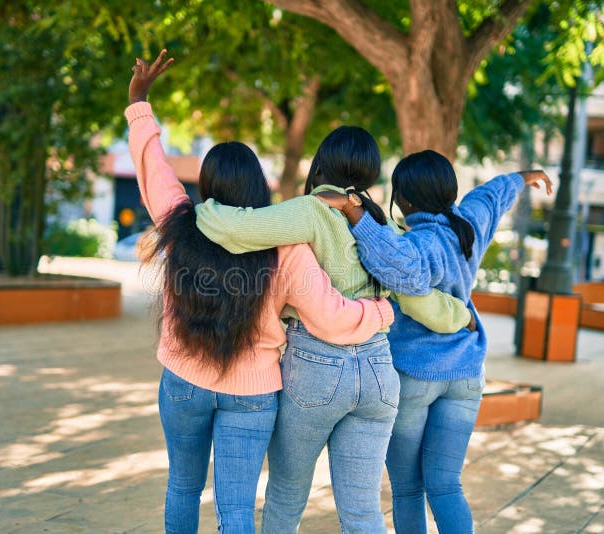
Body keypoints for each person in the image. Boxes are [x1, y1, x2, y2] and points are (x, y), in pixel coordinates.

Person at [127, 50, 394, 534]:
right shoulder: (286, 248)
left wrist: (139, 104)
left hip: (183, 381)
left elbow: (153, 170)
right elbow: (330, 318)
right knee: (236, 511)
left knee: (182, 487)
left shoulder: (182, 221)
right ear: (259, 189)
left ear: (205, 184)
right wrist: (381, 312)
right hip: (252, 395)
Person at [194, 129, 474, 532]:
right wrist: (461, 315)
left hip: (318, 367)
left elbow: (239, 230)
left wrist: (203, 209)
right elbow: (419, 300)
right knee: (363, 512)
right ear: (371, 173)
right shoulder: (378, 223)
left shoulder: (313, 210)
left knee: (287, 496)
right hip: (379, 373)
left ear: (320, 164)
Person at [316, 150, 552, 533]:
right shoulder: (468, 225)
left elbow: (402, 269)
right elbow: (489, 196)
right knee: (446, 485)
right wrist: (524, 176)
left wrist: (354, 211)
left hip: (415, 374)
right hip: (466, 375)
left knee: (408, 488)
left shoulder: (421, 243)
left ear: (404, 199)